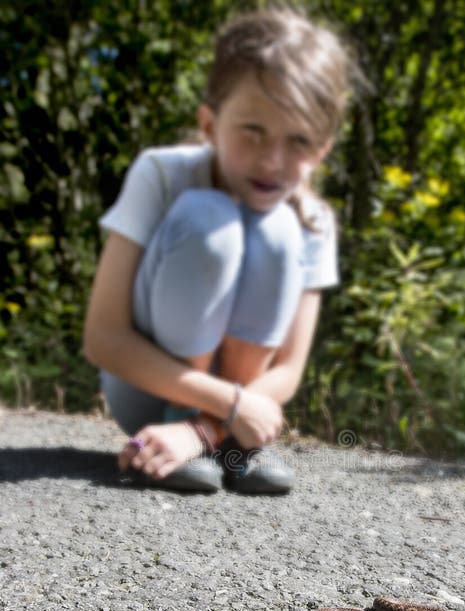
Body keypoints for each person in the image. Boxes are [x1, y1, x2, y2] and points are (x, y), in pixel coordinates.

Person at [84, 7, 355, 494]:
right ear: (209, 124)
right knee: (210, 220)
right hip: (144, 390)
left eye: (298, 140)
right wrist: (229, 405)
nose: (272, 160)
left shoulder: (314, 221)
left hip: (237, 410)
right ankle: (198, 427)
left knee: (279, 231)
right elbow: (102, 338)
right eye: (252, 131)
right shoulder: (161, 173)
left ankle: (223, 446)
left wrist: (206, 427)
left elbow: (289, 370)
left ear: (322, 149)